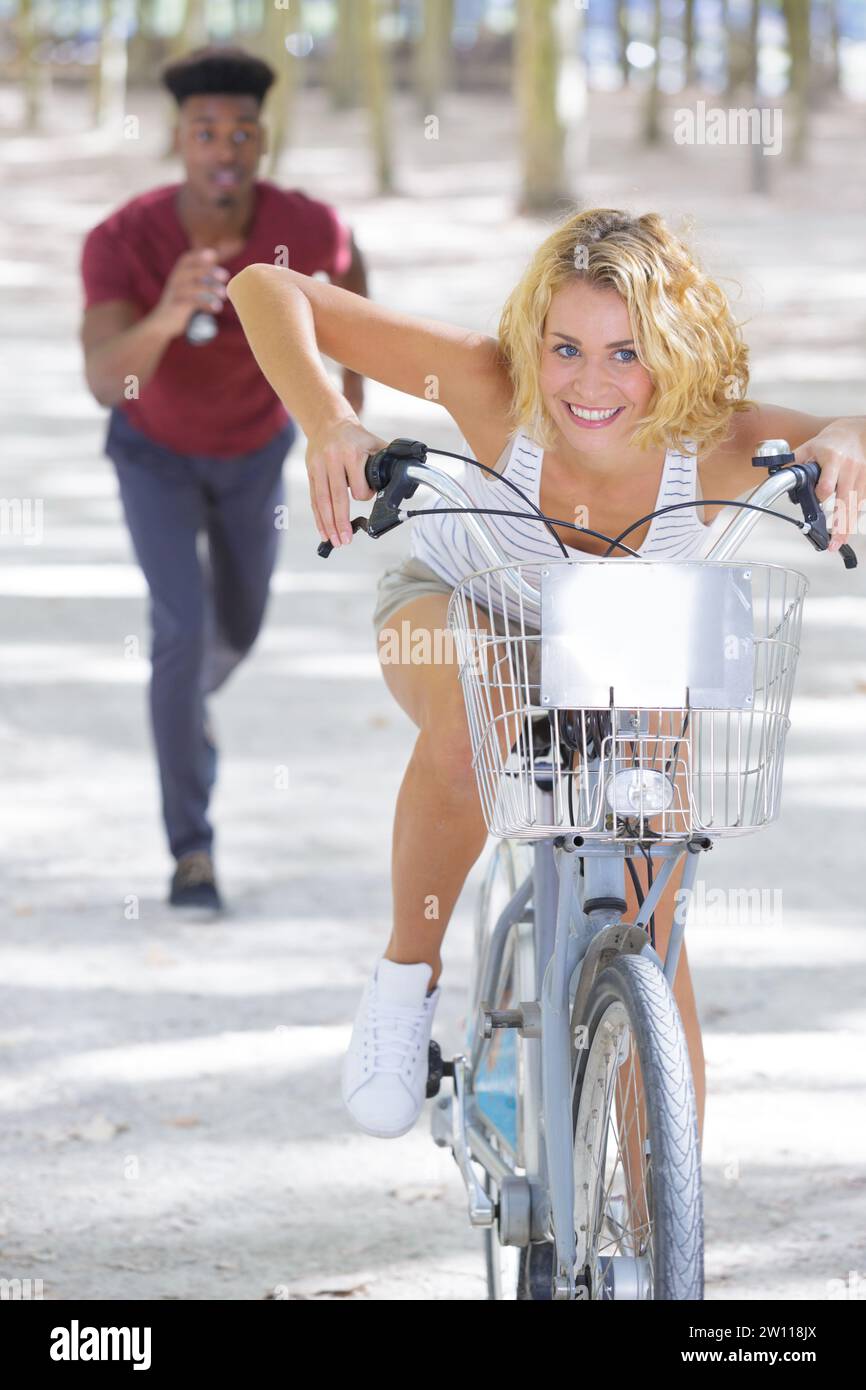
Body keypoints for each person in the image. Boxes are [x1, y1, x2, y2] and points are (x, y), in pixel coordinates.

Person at [226, 207, 866, 1139]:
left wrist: (847, 434)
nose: (590, 383)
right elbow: (264, 287)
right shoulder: (494, 385)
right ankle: (406, 981)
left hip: (627, 634)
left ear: (676, 351)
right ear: (533, 341)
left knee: (654, 912)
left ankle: (659, 1237)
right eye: (566, 347)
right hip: (468, 599)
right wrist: (332, 424)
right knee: (475, 729)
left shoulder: (720, 437)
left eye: (626, 353)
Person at [79, 46, 368, 912]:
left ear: (263, 142)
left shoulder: (310, 228)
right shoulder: (123, 238)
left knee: (234, 628)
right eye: (206, 132)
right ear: (179, 140)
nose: (225, 150)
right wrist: (168, 312)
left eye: (243, 133)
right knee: (179, 628)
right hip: (153, 455)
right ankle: (191, 853)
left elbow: (358, 317)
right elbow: (105, 378)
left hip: (251, 455)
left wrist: (346, 429)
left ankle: (182, 699)